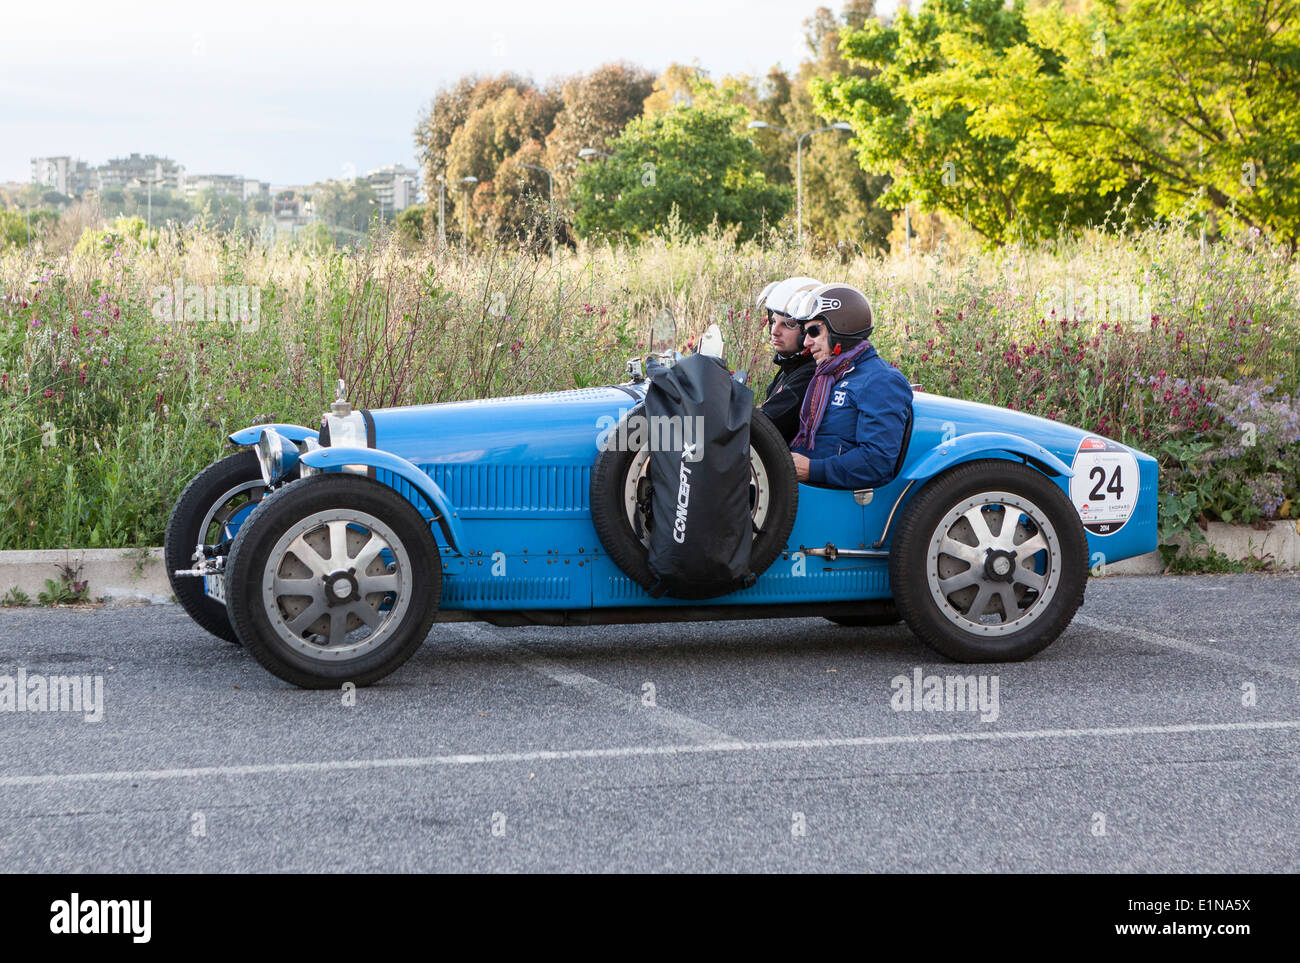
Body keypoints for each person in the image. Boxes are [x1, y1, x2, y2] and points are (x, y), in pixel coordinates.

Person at [786, 283, 913, 489]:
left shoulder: (880, 380)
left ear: (842, 327)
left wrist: (812, 469)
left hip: (832, 498)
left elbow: (877, 463)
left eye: (814, 331)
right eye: (805, 333)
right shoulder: (826, 377)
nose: (806, 342)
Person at [754, 276, 820, 442]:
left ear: (808, 330)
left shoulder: (809, 374)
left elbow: (763, 424)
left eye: (787, 324)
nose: (774, 331)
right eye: (773, 321)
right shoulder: (791, 367)